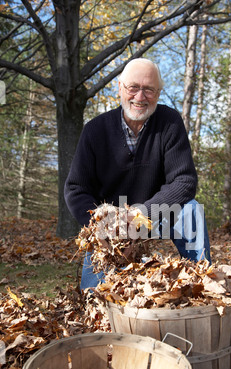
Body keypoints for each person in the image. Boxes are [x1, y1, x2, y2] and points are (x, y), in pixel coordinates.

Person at [64, 58, 211, 290]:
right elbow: (75, 189)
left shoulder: (169, 122)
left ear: (158, 93)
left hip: (157, 214)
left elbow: (184, 181)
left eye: (149, 89)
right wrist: (101, 223)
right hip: (112, 225)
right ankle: (97, 297)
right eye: (133, 87)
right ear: (120, 88)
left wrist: (142, 214)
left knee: (192, 210)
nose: (140, 97)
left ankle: (203, 283)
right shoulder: (95, 130)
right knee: (92, 299)